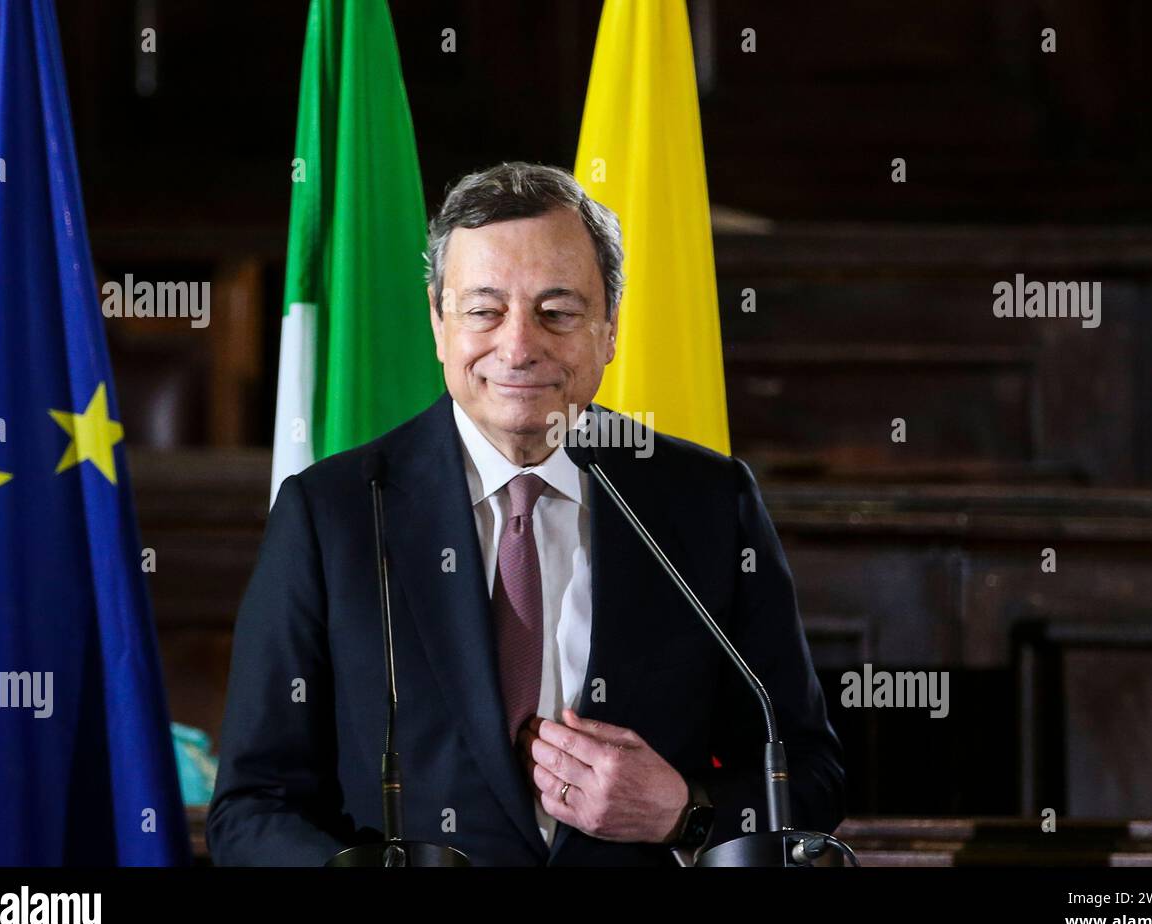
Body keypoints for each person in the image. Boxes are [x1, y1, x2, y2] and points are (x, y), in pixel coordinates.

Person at [207, 161, 844, 865]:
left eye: (558, 312)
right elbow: (252, 808)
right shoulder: (332, 514)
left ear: (609, 328)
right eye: (484, 310)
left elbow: (810, 773)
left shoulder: (708, 503)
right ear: (438, 322)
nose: (517, 346)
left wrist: (685, 813)